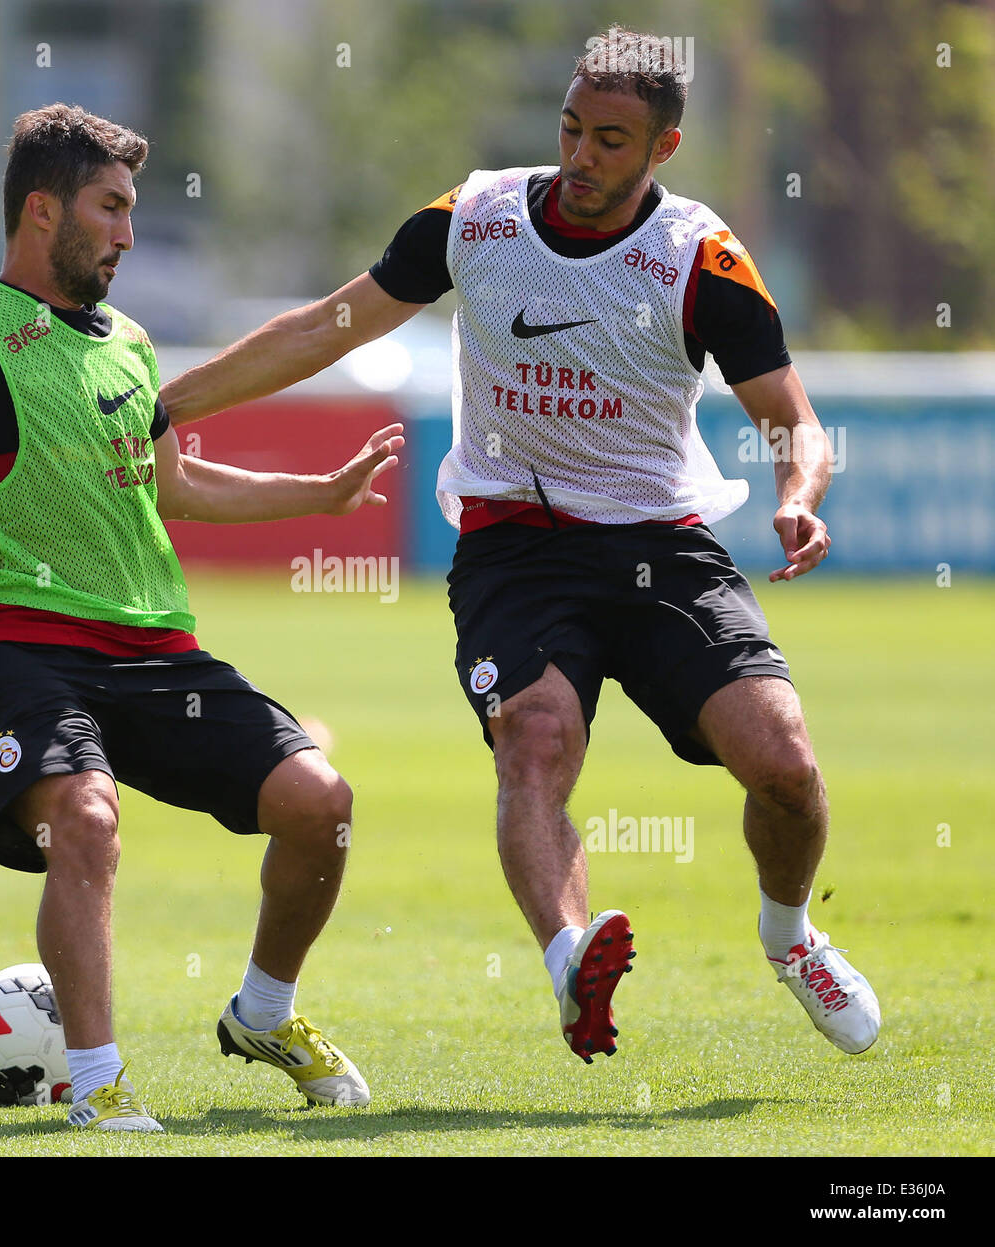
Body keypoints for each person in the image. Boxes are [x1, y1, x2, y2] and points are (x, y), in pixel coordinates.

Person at [159, 28, 879, 1064]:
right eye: (573, 129)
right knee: (533, 742)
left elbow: (790, 414)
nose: (583, 157)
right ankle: (570, 962)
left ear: (662, 150)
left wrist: (799, 493)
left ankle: (789, 934)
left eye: (612, 141)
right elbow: (329, 324)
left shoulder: (699, 258)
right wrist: (167, 403)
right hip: (517, 548)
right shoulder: (478, 219)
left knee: (785, 767)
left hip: (659, 546)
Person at [0, 103, 402, 1131]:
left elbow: (172, 487)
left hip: (152, 646)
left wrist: (316, 493)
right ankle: (97, 1080)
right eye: (109, 207)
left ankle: (264, 1012)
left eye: (131, 209)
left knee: (318, 800)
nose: (127, 233)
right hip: (7, 639)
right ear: (41, 210)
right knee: (86, 817)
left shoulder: (131, 345)